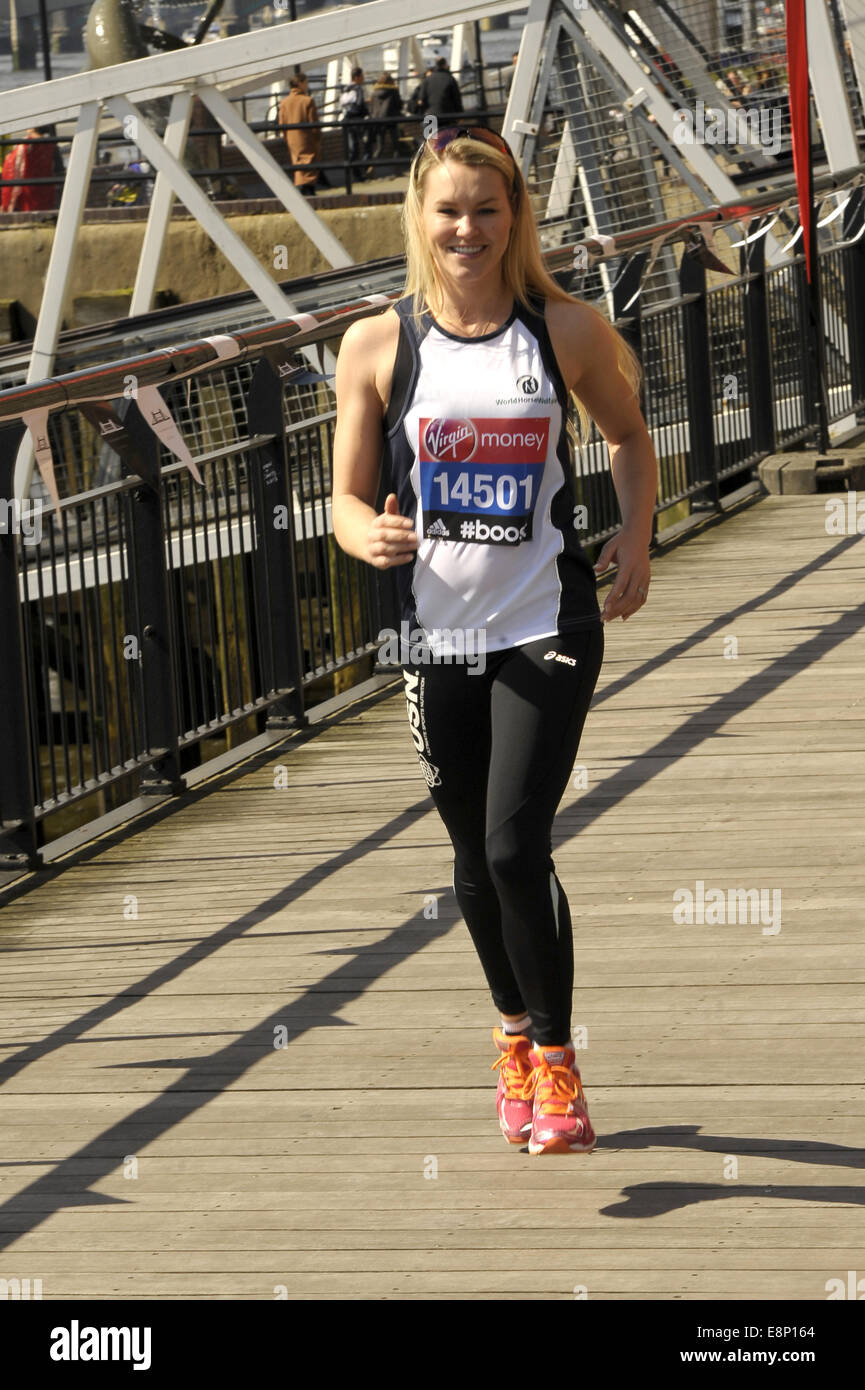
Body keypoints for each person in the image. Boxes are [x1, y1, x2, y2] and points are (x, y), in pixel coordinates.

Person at [331, 127, 657, 1155]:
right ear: (419, 222)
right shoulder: (378, 344)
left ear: (512, 216)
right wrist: (362, 529)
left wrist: (638, 533)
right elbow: (338, 498)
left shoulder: (560, 331)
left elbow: (630, 435)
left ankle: (557, 1067)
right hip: (435, 638)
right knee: (473, 854)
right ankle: (511, 1034)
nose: (466, 228)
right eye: (448, 210)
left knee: (518, 844)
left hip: (542, 623)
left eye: (485, 208)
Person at [278, 72, 322, 198]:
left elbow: (281, 123)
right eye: (306, 82)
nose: (307, 85)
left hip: (292, 138)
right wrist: (317, 138)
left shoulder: (284, 103)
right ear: (300, 83)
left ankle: (301, 188)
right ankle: (309, 190)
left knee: (297, 163)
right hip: (307, 137)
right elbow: (314, 123)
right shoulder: (307, 101)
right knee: (310, 162)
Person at [1, 125, 61, 213]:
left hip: (28, 186)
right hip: (46, 184)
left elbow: (12, 164)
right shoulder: (50, 144)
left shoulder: (26, 143)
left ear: (33, 128)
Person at [367, 72, 403, 177]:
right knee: (396, 145)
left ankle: (371, 167)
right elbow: (399, 105)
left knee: (379, 147)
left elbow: (371, 108)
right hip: (391, 120)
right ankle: (397, 169)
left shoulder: (374, 92)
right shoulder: (393, 91)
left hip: (378, 121)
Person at [338, 66, 369, 182]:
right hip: (355, 122)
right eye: (362, 76)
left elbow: (343, 103)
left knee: (352, 148)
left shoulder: (346, 89)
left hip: (347, 121)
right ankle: (356, 174)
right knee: (355, 148)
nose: (363, 78)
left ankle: (353, 173)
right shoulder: (357, 89)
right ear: (357, 77)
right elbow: (359, 105)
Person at [414, 56, 464, 121]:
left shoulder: (427, 80)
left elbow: (422, 99)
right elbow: (456, 99)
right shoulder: (450, 79)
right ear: (445, 65)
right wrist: (460, 114)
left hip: (430, 116)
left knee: (430, 131)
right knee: (447, 130)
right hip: (448, 116)